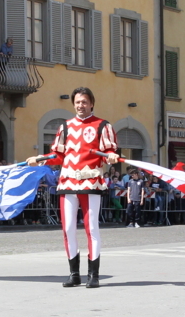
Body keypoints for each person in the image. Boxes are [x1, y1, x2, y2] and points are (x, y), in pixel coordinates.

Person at [26, 86, 118, 288]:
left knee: (91, 228)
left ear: (91, 103)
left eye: (84, 102)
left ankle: (93, 275)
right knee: (68, 229)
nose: (80, 105)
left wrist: (111, 156)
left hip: (91, 182)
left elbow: (110, 152)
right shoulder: (65, 127)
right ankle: (74, 273)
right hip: (68, 182)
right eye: (77, 102)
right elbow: (57, 155)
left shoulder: (103, 126)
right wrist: (39, 160)